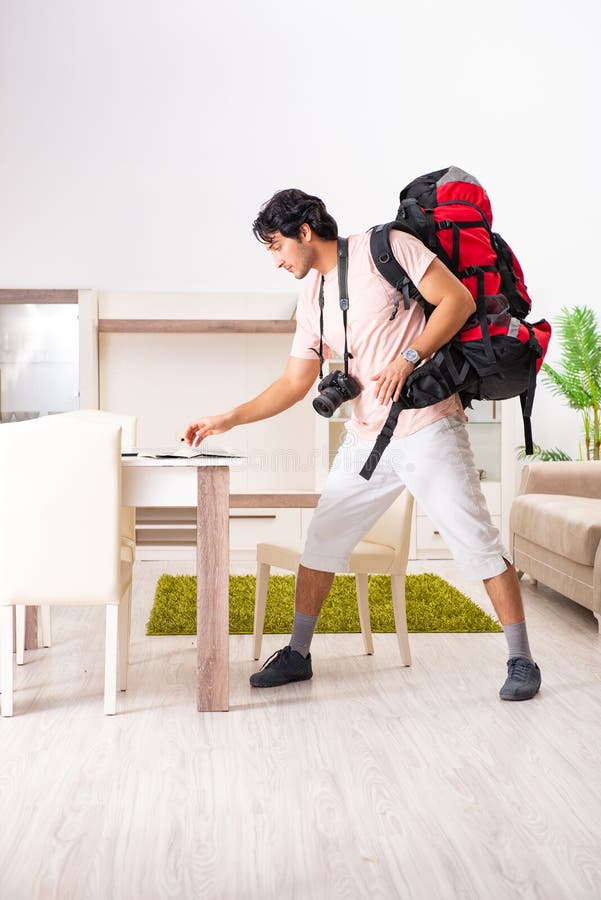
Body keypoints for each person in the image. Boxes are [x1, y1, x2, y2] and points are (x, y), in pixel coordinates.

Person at [184, 189, 542, 701]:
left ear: (304, 231)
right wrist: (227, 418)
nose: (276, 259)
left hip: (427, 427)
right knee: (322, 543)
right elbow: (292, 384)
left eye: (276, 246)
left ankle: (522, 660)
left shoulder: (387, 247)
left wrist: (410, 357)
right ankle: (298, 654)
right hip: (366, 439)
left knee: (476, 544)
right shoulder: (313, 298)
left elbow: (457, 300)